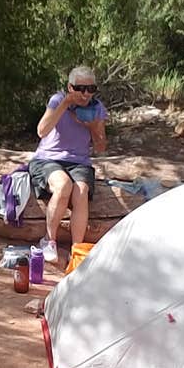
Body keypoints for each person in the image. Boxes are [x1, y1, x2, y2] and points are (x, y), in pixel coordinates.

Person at [28, 65, 108, 263]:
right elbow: (41, 130)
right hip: (48, 158)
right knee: (64, 185)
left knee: (80, 191)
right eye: (81, 89)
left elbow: (100, 148)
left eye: (91, 89)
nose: (85, 94)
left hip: (79, 161)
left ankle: (77, 249)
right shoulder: (57, 100)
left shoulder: (96, 108)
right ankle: (49, 240)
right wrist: (64, 104)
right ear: (70, 87)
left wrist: (94, 128)